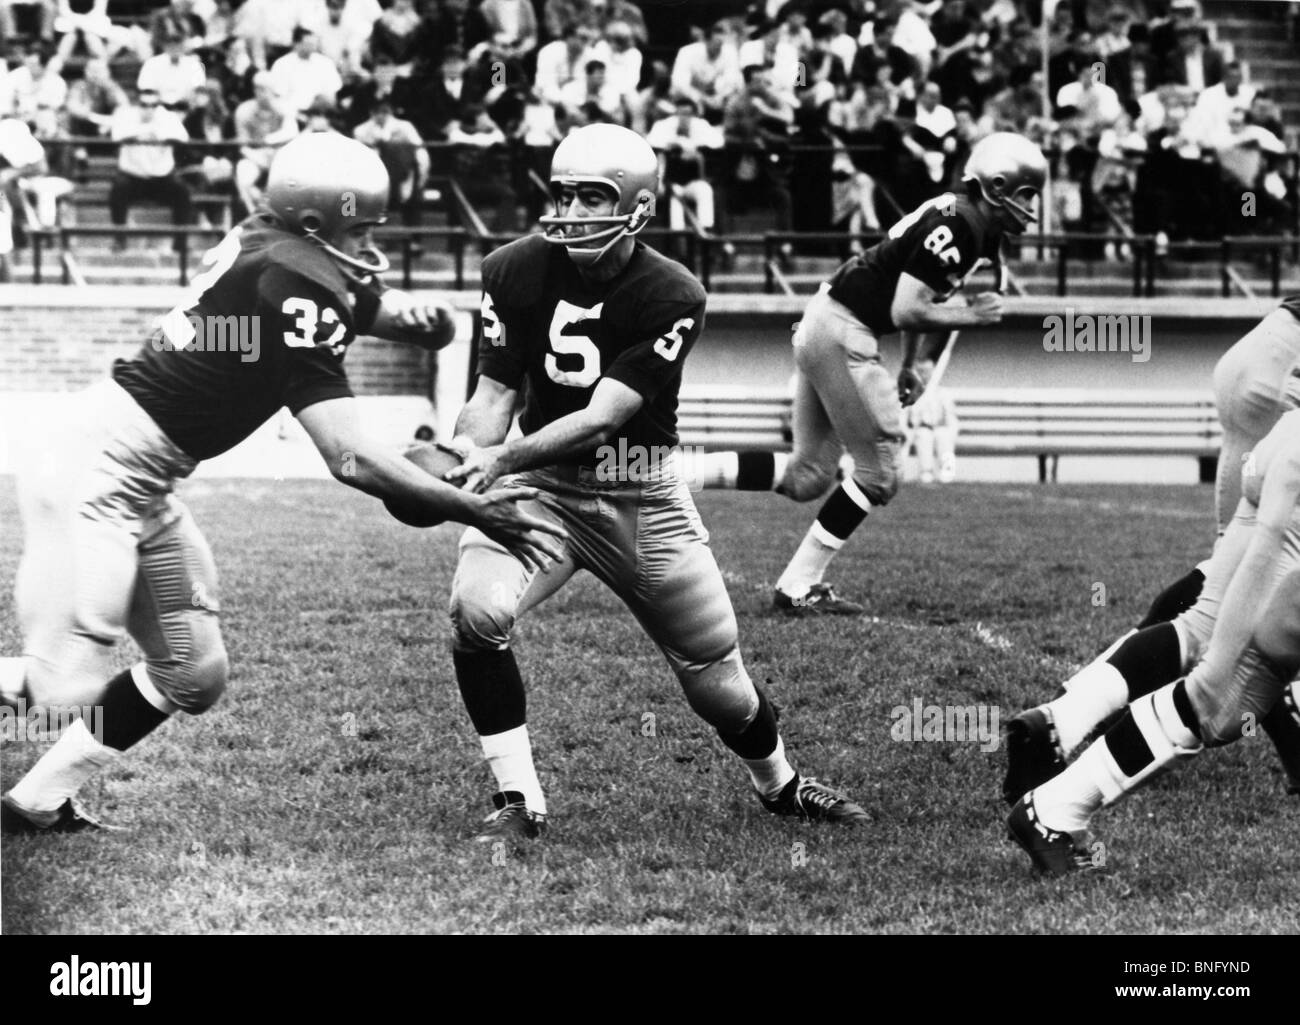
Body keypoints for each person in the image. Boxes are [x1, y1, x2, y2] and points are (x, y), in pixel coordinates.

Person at [0, 132, 565, 834]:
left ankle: (36, 798)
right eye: (359, 231)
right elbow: (350, 456)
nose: (370, 247)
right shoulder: (297, 282)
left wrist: (422, 325)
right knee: (61, 684)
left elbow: (354, 301)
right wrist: (470, 505)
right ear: (313, 227)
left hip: (142, 485)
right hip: (96, 474)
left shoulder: (269, 243)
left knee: (192, 670)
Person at [439, 123, 870, 841]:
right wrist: (461, 459)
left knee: (713, 671)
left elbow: (605, 418)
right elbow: (492, 398)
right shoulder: (513, 268)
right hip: (542, 486)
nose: (572, 212)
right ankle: (520, 800)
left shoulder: (672, 292)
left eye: (592, 197)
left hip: (638, 492)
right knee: (475, 614)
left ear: (639, 208)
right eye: (564, 193)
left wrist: (500, 461)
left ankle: (781, 784)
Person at [694, 133, 1044, 616]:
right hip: (844, 328)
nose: (1032, 207)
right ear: (998, 185)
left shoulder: (963, 217)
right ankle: (799, 585)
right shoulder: (962, 225)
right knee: (880, 471)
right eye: (1027, 193)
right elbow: (907, 307)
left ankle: (667, 476)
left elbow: (922, 296)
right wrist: (973, 315)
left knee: (809, 474)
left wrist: (911, 364)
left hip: (825, 319)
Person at [1003, 297, 1300, 805]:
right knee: (1257, 589)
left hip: (1263, 359)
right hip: (1283, 375)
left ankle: (1061, 721)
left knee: (1219, 598)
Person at [1008, 409, 1300, 875]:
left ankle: (1058, 754)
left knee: (1203, 635)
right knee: (1224, 697)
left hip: (1285, 441)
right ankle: (1052, 810)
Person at [108, 89, 193, 250]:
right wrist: (144, 131)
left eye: (153, 105)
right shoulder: (126, 115)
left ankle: (180, 242)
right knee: (118, 188)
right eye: (144, 105)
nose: (149, 109)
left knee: (182, 191)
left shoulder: (168, 118)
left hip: (161, 177)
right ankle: (119, 239)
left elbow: (183, 137)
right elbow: (116, 136)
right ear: (137, 105)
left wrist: (160, 135)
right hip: (132, 176)